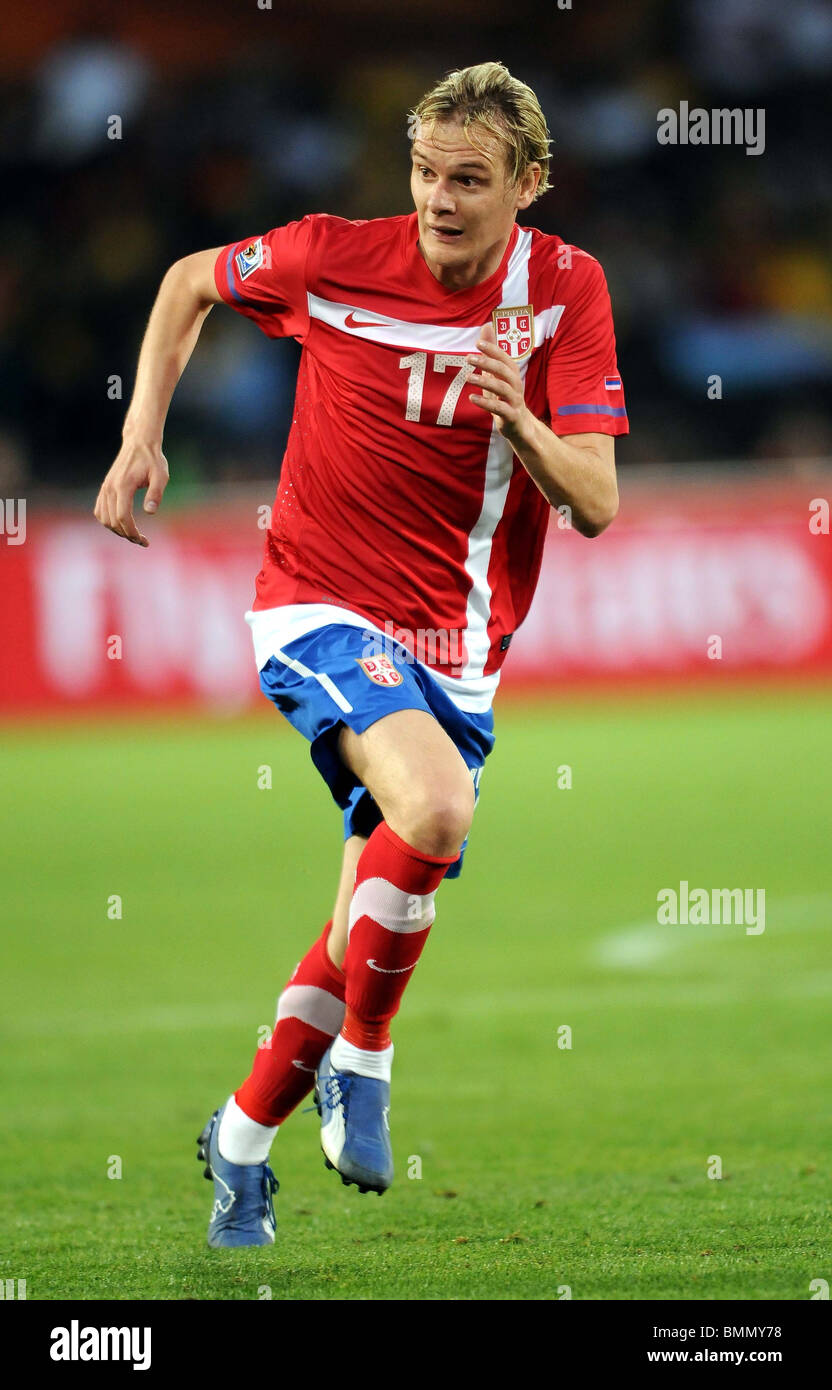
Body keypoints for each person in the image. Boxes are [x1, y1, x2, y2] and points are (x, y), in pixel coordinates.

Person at [94, 60, 628, 1247]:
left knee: (360, 925)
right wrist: (142, 436)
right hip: (317, 603)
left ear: (530, 185)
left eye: (470, 180)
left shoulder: (566, 293)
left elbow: (593, 501)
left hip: (460, 645)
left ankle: (238, 1138)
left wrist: (523, 419)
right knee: (435, 812)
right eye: (425, 173)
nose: (439, 199)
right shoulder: (332, 254)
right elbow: (188, 282)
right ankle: (367, 1063)